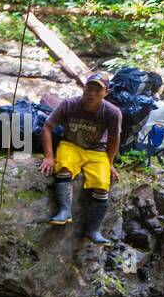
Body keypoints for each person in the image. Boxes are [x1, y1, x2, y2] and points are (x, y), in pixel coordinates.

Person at [40, 72, 122, 245]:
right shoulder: (69, 104)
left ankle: (92, 230)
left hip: (97, 151)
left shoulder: (112, 112)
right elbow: (47, 126)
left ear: (106, 92)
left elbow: (114, 139)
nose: (92, 93)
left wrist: (110, 163)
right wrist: (49, 156)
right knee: (63, 167)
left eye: (97, 90)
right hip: (71, 144)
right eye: (89, 88)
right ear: (84, 88)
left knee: (102, 184)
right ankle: (64, 211)